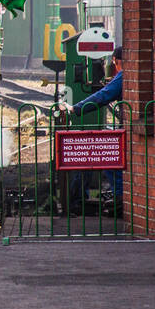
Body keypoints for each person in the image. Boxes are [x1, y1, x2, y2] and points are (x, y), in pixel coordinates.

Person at [60, 46, 124, 209]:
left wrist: (75, 108)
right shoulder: (127, 75)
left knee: (110, 157)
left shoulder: (124, 75)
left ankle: (120, 196)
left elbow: (103, 95)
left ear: (116, 61)